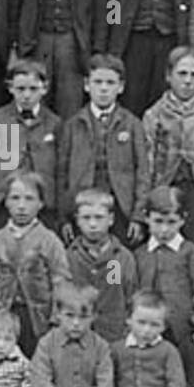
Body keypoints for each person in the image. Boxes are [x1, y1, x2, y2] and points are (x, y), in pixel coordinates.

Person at [57, 53, 149, 246]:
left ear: (121, 87)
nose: (104, 89)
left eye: (110, 82)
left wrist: (138, 216)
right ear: (86, 85)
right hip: (83, 208)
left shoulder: (132, 124)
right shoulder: (73, 125)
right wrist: (64, 216)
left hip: (120, 208)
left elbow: (142, 172)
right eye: (97, 82)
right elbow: (62, 174)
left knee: (117, 260)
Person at [141, 45, 194, 250]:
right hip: (165, 186)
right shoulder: (154, 114)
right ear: (169, 76)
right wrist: (149, 196)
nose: (187, 81)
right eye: (182, 74)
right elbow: (148, 159)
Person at [0, 172, 71, 357]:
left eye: (29, 199)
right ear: (5, 202)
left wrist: (55, 320)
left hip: (37, 319)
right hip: (2, 315)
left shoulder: (49, 240)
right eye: (15, 198)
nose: (21, 206)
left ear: (40, 203)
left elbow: (61, 281)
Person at [0, 58, 61, 232]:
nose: (26, 95)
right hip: (3, 201)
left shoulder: (54, 123)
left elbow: (60, 169)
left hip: (42, 204)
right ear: (10, 87)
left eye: (33, 89)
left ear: (44, 88)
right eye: (20, 89)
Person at [133, 186, 194, 345]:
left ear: (183, 219)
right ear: (146, 217)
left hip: (184, 332)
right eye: (158, 221)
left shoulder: (193, 254)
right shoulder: (137, 255)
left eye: (171, 222)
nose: (164, 229)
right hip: (145, 331)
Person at [65, 188, 137, 344]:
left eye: (99, 218)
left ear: (110, 219)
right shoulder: (69, 257)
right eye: (86, 218)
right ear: (77, 220)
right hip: (77, 337)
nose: (92, 224)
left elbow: (132, 298)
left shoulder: (122, 258)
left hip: (114, 337)